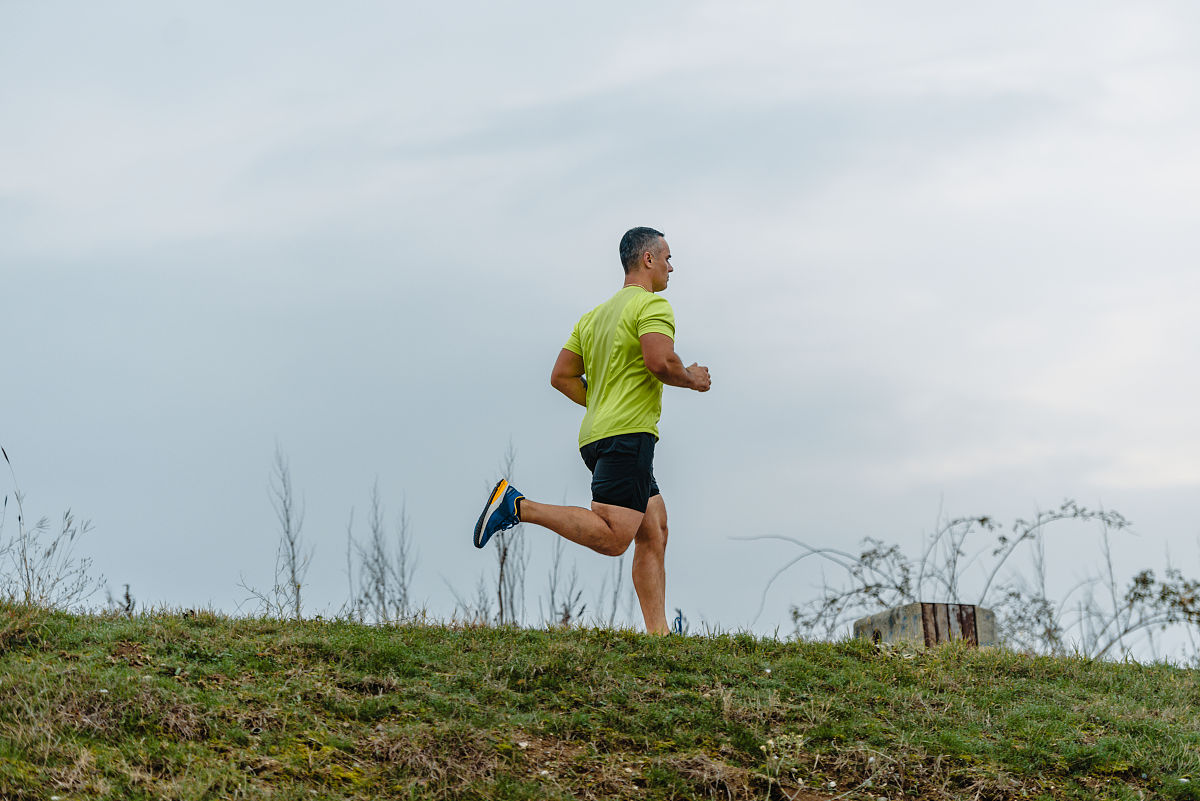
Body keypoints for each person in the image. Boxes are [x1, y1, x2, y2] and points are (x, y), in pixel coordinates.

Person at [473, 227, 711, 634]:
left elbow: (561, 376)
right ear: (648, 260)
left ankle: (659, 635)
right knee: (615, 537)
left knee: (653, 526)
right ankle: (517, 506)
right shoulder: (653, 307)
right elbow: (659, 361)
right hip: (629, 435)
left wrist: (602, 402)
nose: (672, 266)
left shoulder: (593, 317)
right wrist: (691, 377)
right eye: (667, 257)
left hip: (597, 436)